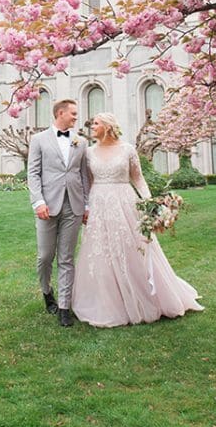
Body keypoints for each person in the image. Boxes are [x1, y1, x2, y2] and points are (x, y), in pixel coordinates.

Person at [72, 112, 203, 328]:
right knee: (100, 250)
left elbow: (138, 179)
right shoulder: (88, 152)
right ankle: (105, 301)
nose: (92, 126)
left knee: (131, 247)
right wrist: (86, 207)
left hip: (125, 202)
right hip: (99, 204)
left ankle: (144, 295)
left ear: (108, 126)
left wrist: (150, 204)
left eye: (96, 123)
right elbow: (89, 182)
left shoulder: (127, 149)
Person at [27, 99, 90, 327]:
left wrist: (86, 205)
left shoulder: (80, 141)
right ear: (60, 113)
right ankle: (47, 292)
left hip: (73, 206)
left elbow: (83, 176)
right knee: (45, 257)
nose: (75, 117)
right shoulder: (38, 140)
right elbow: (33, 174)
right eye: (73, 113)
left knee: (66, 258)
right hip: (46, 206)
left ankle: (64, 307)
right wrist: (38, 202)